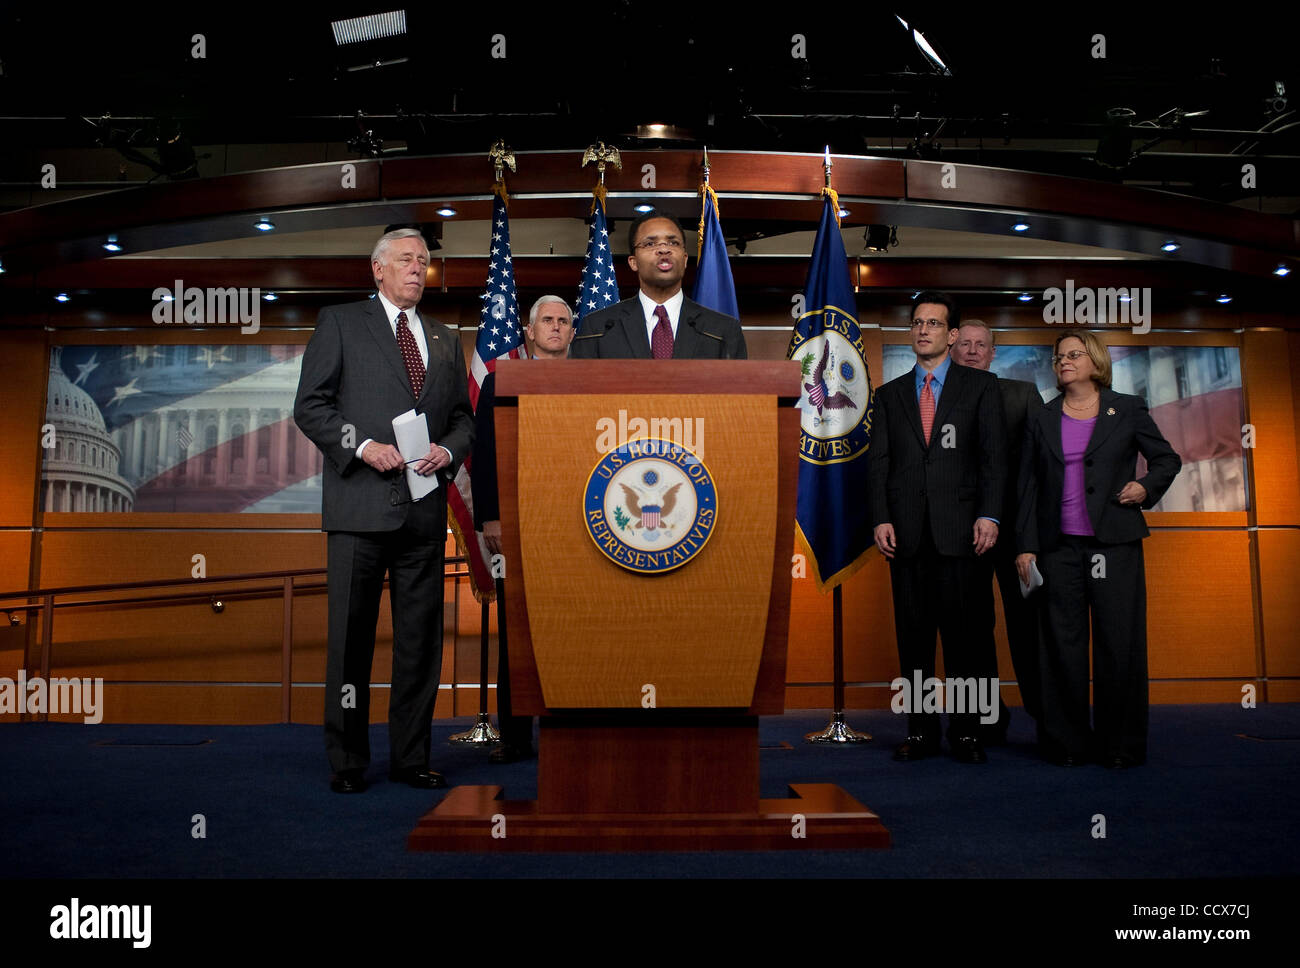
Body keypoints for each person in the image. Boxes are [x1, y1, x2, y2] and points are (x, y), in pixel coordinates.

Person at [294, 228, 474, 794]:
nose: (418, 268)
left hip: (424, 515)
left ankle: (410, 758)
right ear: (377, 269)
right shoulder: (342, 323)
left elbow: (464, 421)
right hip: (359, 512)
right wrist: (362, 446)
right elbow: (311, 406)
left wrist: (449, 450)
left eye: (423, 260)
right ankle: (348, 763)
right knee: (350, 643)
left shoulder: (447, 339)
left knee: (420, 644)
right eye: (405, 260)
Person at [1016, 329, 1180, 768]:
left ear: (1095, 361)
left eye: (1073, 354)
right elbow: (1028, 485)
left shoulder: (1126, 408)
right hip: (1058, 549)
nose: (1063, 362)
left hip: (1114, 545)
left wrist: (1144, 488)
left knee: (1118, 643)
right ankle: (1067, 743)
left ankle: (1120, 745)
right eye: (1058, 357)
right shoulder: (1042, 416)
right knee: (1060, 647)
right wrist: (1026, 546)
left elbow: (1167, 459)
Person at [869, 292, 1008, 764]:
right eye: (917, 322)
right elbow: (880, 464)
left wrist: (990, 514)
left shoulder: (981, 387)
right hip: (906, 537)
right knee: (914, 642)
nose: (923, 329)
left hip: (962, 534)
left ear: (951, 335)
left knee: (964, 642)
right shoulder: (888, 395)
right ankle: (922, 733)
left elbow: (994, 459)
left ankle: (966, 735)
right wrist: (881, 517)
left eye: (933, 323)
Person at [471, 295, 575, 763]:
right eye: (546, 321)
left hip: (579, 526)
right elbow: (485, 455)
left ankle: (568, 731)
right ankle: (514, 738)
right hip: (515, 523)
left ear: (573, 332)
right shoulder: (500, 381)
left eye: (563, 321)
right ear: (529, 333)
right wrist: (490, 516)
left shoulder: (591, 382)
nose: (555, 328)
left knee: (571, 629)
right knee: (518, 631)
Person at [952, 320, 1044, 741]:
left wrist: (1033, 537)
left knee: (1029, 627)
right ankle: (987, 718)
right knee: (973, 629)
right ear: (953, 349)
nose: (972, 351)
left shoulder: (1021, 395)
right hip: (960, 536)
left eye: (980, 345)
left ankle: (1048, 717)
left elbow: (1042, 468)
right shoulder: (939, 399)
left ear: (993, 353)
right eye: (965, 344)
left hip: (1017, 534)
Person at [569, 212, 746, 359]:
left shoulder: (723, 330)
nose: (663, 249)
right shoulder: (597, 327)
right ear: (633, 262)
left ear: (685, 260)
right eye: (650, 243)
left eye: (673, 242)